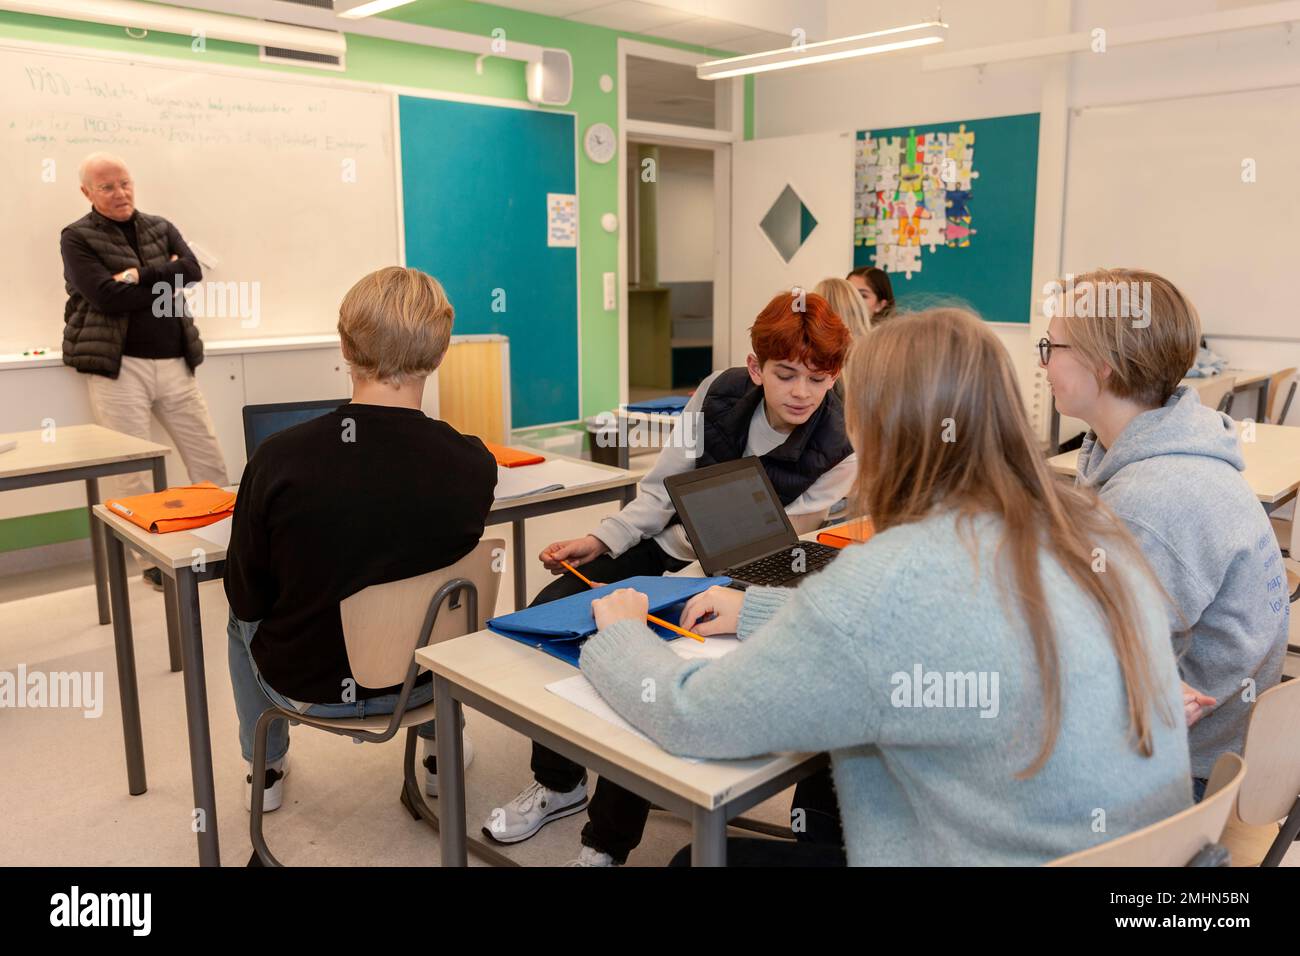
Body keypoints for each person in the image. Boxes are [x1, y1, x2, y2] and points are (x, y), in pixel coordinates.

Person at [581, 308, 1191, 866]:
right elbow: (927, 631)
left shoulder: (889, 582)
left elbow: (692, 717)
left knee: (695, 862)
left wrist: (625, 637)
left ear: (875, 428)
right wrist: (757, 608)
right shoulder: (1091, 529)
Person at [485, 290, 857, 865]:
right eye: (786, 376)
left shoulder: (841, 446)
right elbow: (661, 487)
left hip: (745, 578)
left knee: (658, 669)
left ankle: (604, 843)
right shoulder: (715, 393)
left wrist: (713, 587)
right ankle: (560, 782)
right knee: (552, 607)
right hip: (667, 547)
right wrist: (603, 539)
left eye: (819, 378)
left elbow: (788, 546)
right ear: (757, 369)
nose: (803, 392)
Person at [224, 266, 497, 812]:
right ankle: (442, 752)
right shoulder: (473, 462)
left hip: (309, 686)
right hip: (425, 682)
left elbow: (247, 594)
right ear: (441, 352)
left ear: (345, 347)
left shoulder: (279, 458)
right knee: (436, 592)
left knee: (237, 617)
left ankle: (267, 766)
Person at [1040, 267, 1289, 799]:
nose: (1043, 363)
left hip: (1174, 777)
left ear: (1101, 367)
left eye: (1051, 346)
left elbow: (1087, 677)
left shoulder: (1152, 503)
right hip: (1206, 747)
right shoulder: (1162, 447)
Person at [60, 152, 228, 590]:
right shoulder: (76, 237)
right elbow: (104, 296)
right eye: (107, 187)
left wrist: (139, 275)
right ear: (87, 193)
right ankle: (151, 563)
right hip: (120, 369)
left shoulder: (160, 225)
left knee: (207, 456)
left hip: (175, 360)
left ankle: (224, 545)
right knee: (132, 470)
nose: (120, 193)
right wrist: (161, 277)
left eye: (125, 183)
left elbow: (190, 271)